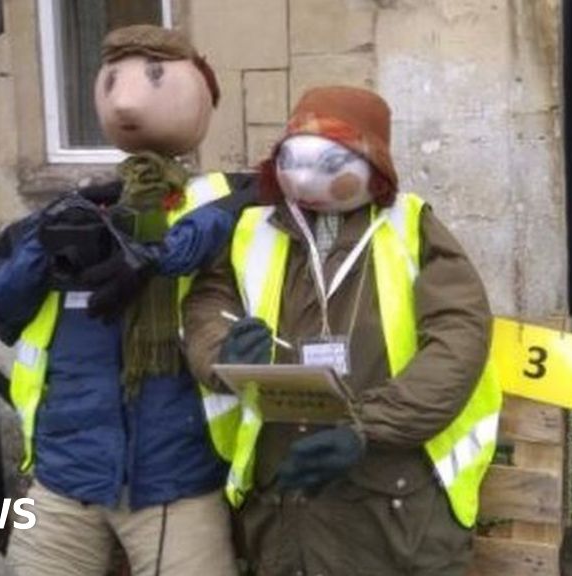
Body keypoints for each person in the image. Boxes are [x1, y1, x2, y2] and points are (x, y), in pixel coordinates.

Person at [182, 86, 502, 575]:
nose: (307, 179)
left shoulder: (412, 229)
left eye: (331, 162)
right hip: (285, 508)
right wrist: (220, 351)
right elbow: (208, 302)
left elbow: (458, 339)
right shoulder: (252, 230)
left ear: (374, 169)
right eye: (294, 159)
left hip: (392, 513)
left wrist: (366, 428)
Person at [0, 25, 248, 576]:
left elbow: (263, 194)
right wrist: (46, 242)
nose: (127, 99)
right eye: (113, 80)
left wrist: (166, 250)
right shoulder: (79, 208)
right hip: (66, 477)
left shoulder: (230, 203)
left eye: (154, 76)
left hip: (176, 481)